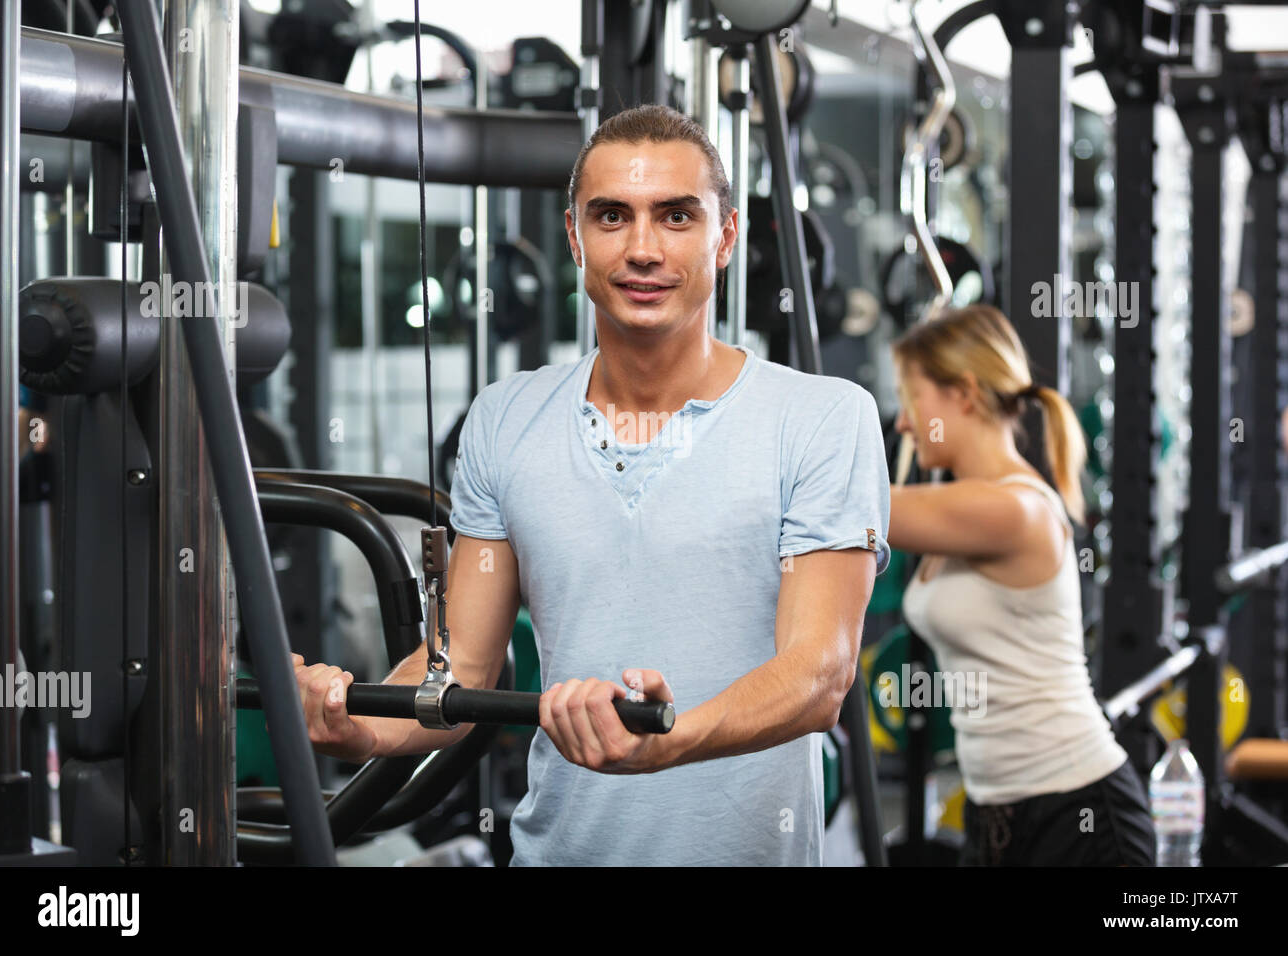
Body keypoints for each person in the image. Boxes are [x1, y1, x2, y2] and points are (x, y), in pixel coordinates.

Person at [292, 103, 890, 865]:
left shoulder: (821, 418)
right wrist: (362, 727)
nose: (643, 249)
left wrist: (666, 743)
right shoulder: (506, 418)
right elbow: (463, 669)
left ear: (726, 237)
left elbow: (819, 676)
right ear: (575, 237)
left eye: (677, 217)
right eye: (612, 216)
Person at [887, 304, 1156, 866]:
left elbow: (845, 506)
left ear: (962, 393)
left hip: (1080, 814)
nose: (904, 424)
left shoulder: (1015, 509)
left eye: (912, 401)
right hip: (993, 815)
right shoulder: (958, 505)